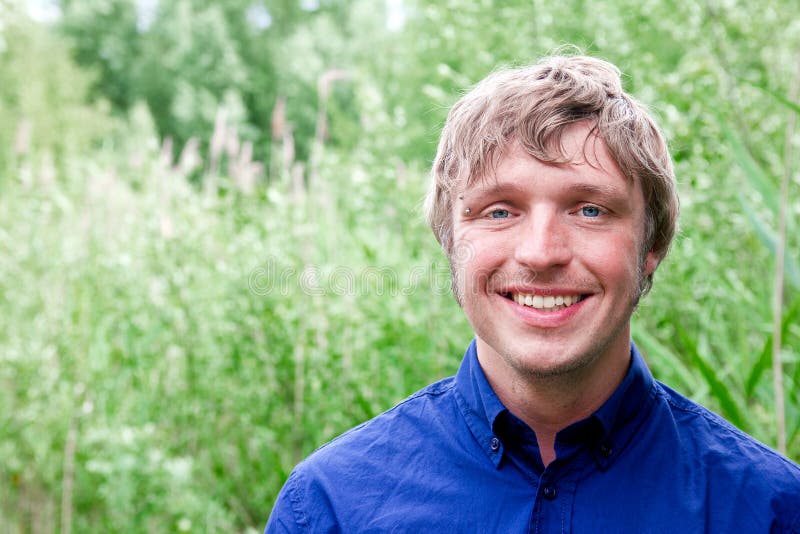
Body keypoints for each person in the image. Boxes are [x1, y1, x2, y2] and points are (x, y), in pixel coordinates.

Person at [265, 54, 800, 533]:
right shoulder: (332, 507)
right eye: (499, 211)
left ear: (651, 244)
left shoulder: (768, 509)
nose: (541, 253)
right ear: (450, 244)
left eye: (590, 209)